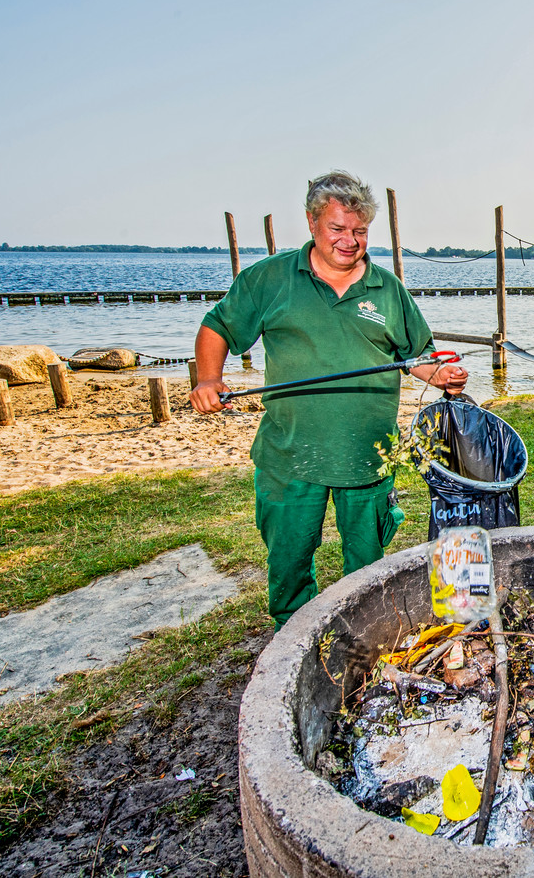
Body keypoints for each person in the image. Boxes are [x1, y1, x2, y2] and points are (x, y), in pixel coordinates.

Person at [190, 170, 468, 629]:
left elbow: (416, 354)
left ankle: (365, 637)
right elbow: (218, 326)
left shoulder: (387, 288)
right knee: (290, 562)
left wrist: (443, 374)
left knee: (368, 567)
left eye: (359, 231)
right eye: (338, 229)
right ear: (312, 222)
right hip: (291, 457)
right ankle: (294, 641)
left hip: (369, 457)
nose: (349, 241)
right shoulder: (269, 278)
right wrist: (208, 379)